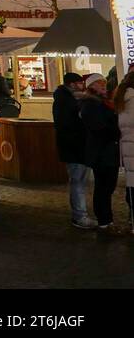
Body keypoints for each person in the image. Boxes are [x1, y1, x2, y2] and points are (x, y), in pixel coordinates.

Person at [77, 72, 121, 231]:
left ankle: (107, 220)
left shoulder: (102, 102)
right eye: (99, 83)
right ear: (91, 86)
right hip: (101, 152)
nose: (103, 85)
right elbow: (98, 128)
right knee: (104, 187)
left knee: (108, 186)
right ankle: (104, 221)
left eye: (104, 82)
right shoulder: (90, 104)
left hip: (108, 151)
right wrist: (117, 131)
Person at [53, 71, 94, 228]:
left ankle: (79, 214)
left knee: (79, 182)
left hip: (74, 147)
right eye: (79, 83)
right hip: (75, 147)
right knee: (78, 182)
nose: (82, 86)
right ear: (72, 84)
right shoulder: (66, 101)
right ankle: (79, 216)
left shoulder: (66, 98)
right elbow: (69, 124)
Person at [114, 67, 134, 229]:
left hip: (128, 147)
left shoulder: (124, 96)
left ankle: (132, 219)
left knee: (132, 185)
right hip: (132, 146)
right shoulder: (132, 98)